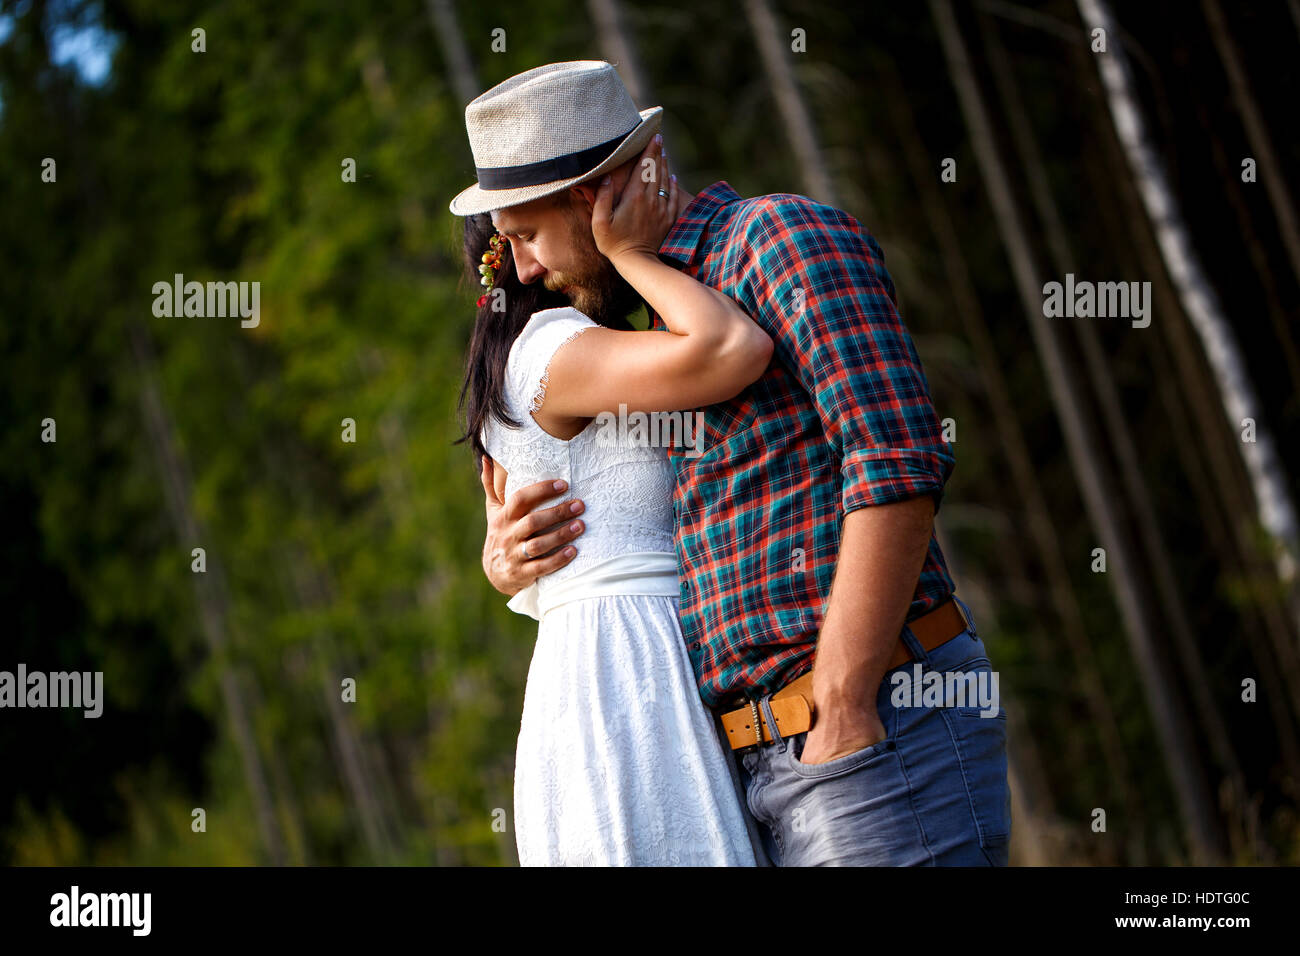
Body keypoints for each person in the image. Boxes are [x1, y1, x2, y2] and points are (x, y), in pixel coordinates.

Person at [454, 60, 1011, 866]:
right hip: (756, 762)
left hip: (872, 725)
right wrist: (511, 564)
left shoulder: (777, 240)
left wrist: (845, 704)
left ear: (594, 197)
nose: (526, 271)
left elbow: (894, 460)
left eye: (528, 237)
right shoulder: (654, 330)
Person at [457, 121, 769, 865]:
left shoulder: (546, 355)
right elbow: (733, 349)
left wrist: (500, 568)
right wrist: (630, 252)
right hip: (628, 672)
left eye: (532, 237)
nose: (529, 269)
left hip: (614, 665)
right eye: (513, 246)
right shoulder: (551, 352)